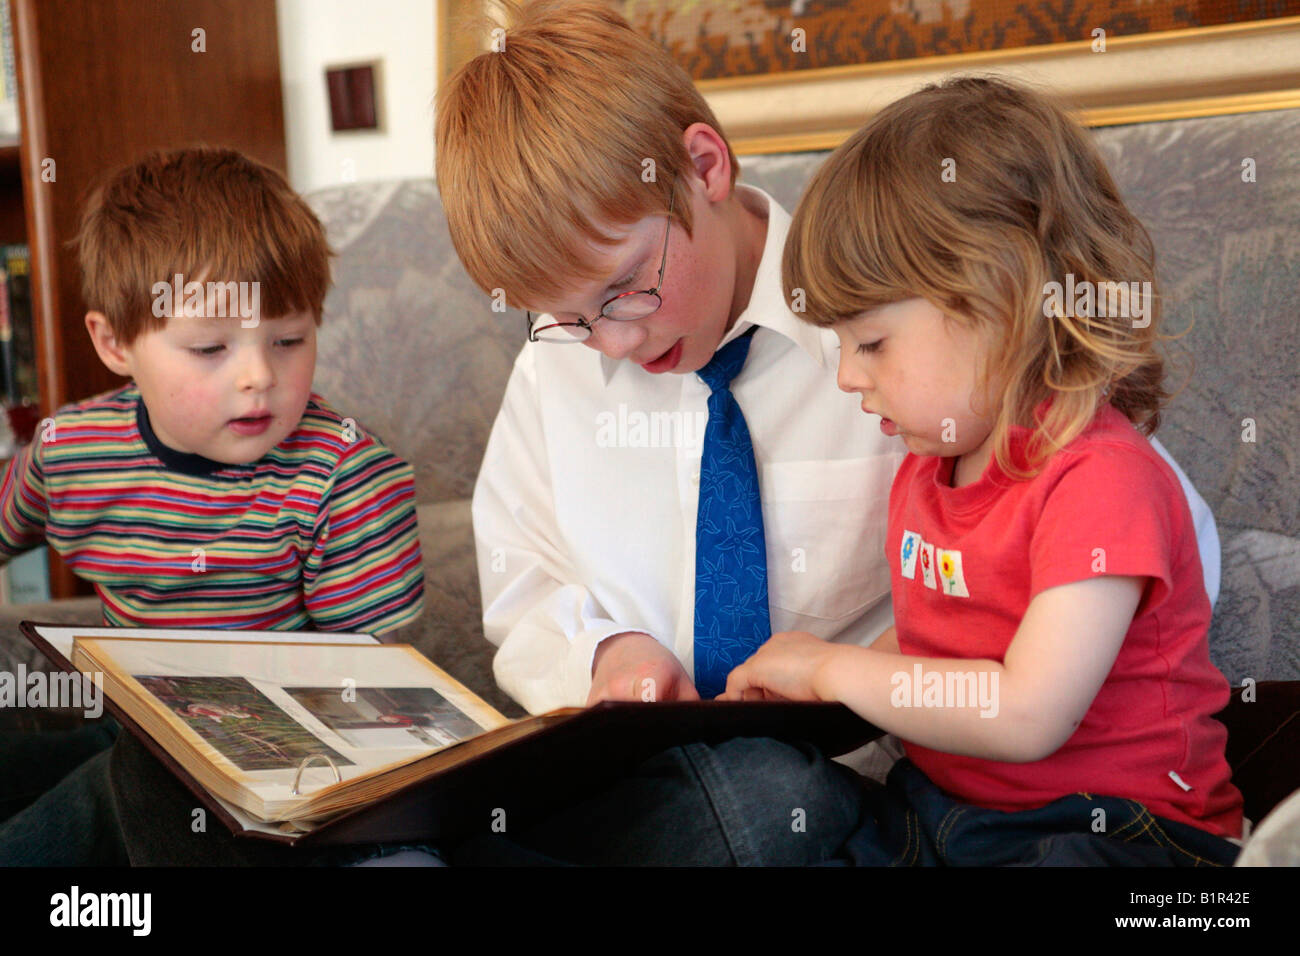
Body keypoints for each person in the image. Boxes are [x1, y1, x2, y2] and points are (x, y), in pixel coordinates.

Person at [436, 1, 1222, 864]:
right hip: (699, 789)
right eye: (569, 318)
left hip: (880, 789)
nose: (613, 344)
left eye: (625, 290)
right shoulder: (556, 370)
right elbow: (522, 577)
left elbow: (1145, 542)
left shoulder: (916, 325)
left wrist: (845, 673)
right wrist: (604, 654)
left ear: (704, 166)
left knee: (774, 802)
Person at [721, 75, 1244, 866]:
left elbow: (1028, 714)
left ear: (1003, 300)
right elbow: (938, 644)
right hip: (951, 813)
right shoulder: (929, 467)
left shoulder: (1100, 480)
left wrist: (833, 666)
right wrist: (799, 690)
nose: (848, 378)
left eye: (872, 343)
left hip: (1121, 831)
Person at [0, 146, 425, 865]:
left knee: (134, 784)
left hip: (282, 766)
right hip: (130, 730)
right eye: (209, 348)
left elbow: (377, 701)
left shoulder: (346, 475)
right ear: (114, 343)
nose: (258, 375)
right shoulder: (72, 451)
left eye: (288, 339)